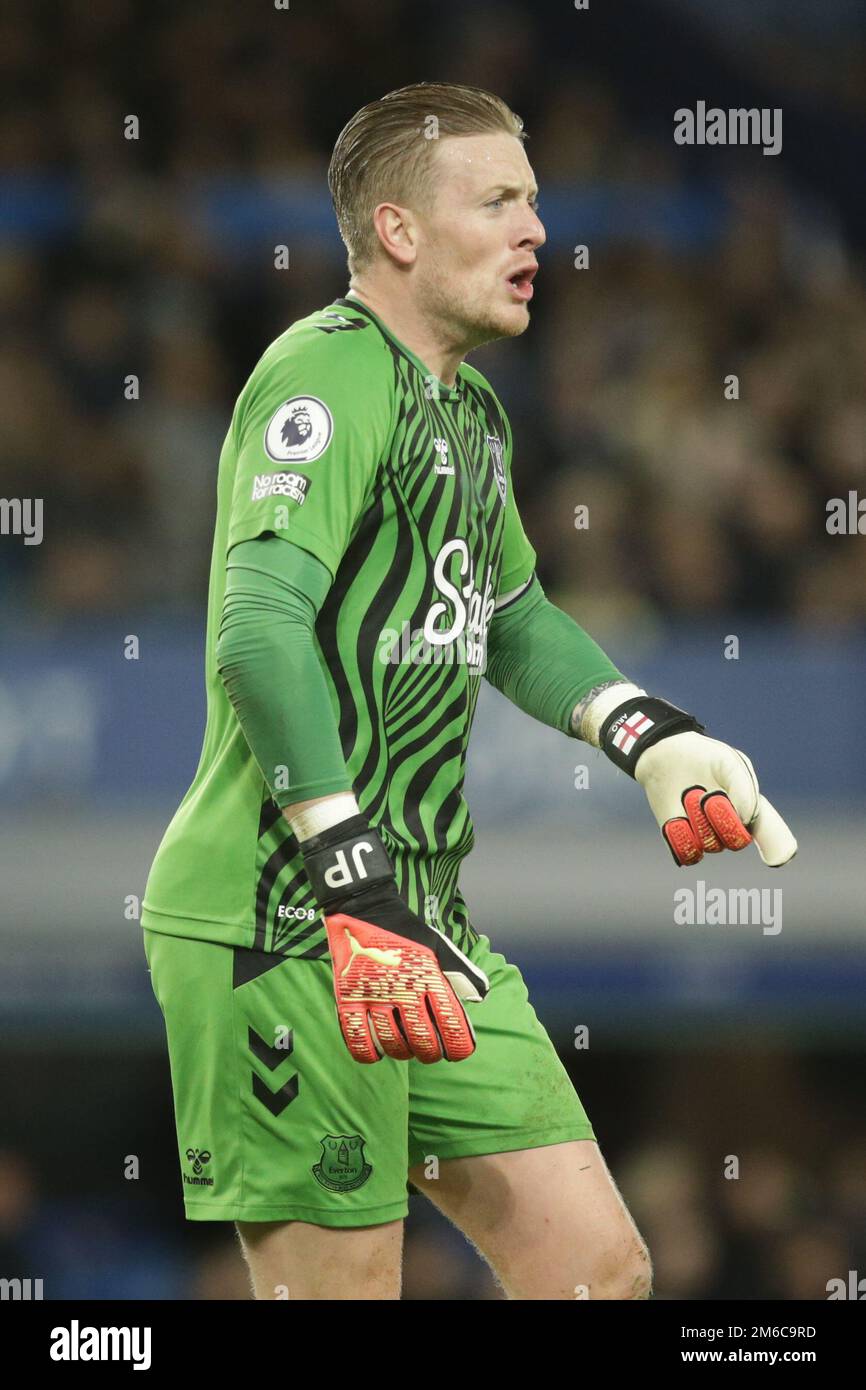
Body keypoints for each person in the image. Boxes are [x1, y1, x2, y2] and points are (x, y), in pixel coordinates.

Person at [141, 81, 797, 1300]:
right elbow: (255, 632)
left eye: (534, 203)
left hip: (423, 914)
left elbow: (511, 619)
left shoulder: (473, 414)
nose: (535, 231)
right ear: (397, 231)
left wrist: (647, 734)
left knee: (594, 1268)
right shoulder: (323, 378)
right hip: (284, 918)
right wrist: (351, 878)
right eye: (497, 201)